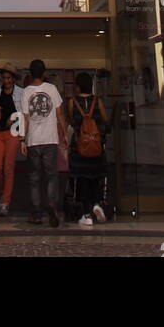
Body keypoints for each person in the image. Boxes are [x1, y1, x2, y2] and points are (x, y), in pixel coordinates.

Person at [19, 58, 69, 227]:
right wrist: (64, 134)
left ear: (30, 74)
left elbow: (25, 118)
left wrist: (22, 140)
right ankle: (52, 205)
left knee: (34, 178)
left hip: (33, 140)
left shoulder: (26, 92)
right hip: (50, 139)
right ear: (44, 73)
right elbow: (60, 113)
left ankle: (36, 213)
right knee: (51, 176)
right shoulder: (52, 88)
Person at [67, 72, 108, 227]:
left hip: (80, 147)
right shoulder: (98, 101)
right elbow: (105, 120)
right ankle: (97, 203)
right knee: (96, 177)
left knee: (82, 179)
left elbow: (71, 120)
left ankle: (86, 214)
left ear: (78, 86)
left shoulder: (72, 102)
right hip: (96, 146)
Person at [0, 60, 23, 217]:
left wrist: (15, 119)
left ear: (14, 79)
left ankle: (5, 201)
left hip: (12, 132)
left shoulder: (20, 93)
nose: (7, 81)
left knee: (8, 168)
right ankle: (2, 192)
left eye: (9, 78)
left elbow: (24, 115)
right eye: (4, 78)